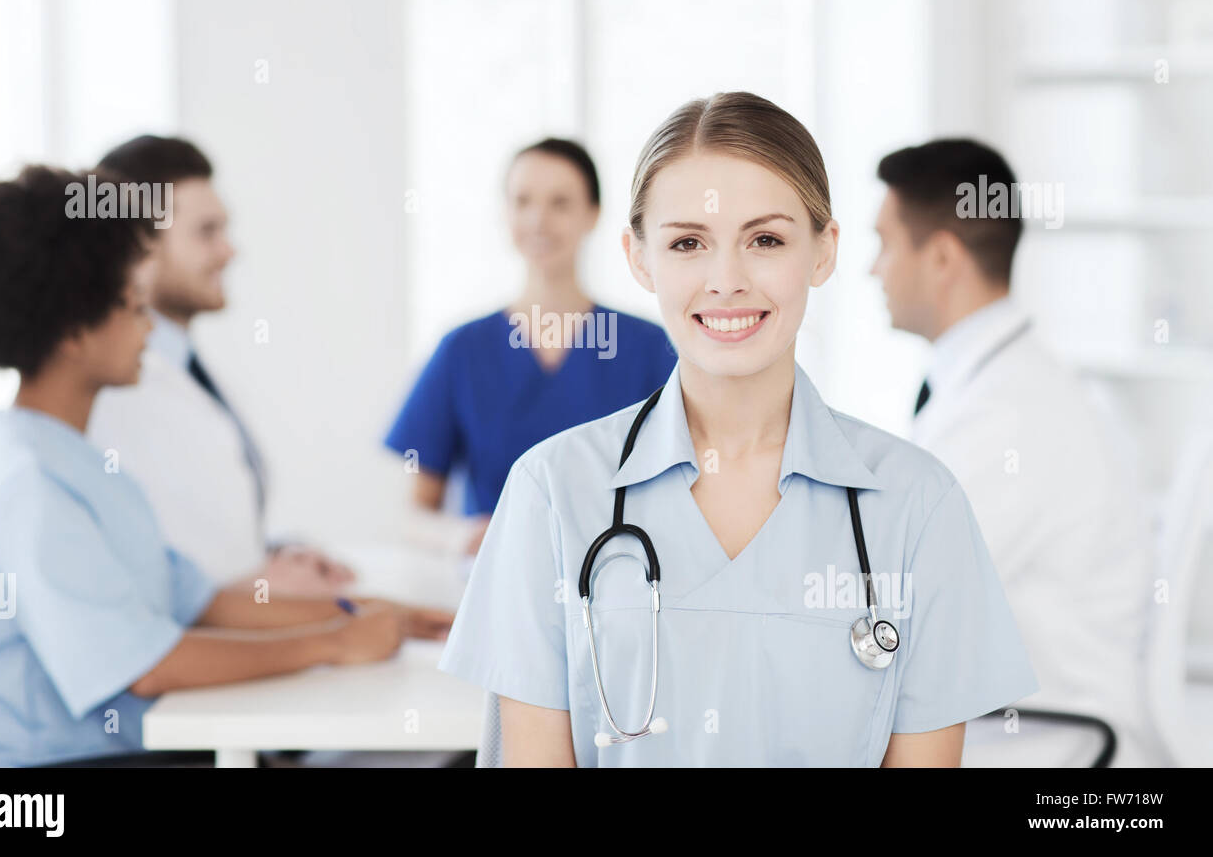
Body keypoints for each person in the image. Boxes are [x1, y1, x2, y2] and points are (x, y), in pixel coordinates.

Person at [437, 93, 1037, 767]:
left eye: (766, 240)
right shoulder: (549, 493)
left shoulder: (919, 505)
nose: (726, 281)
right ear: (639, 257)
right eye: (688, 243)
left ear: (823, 252)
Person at [0, 166, 451, 767]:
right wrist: (333, 643)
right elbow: (144, 667)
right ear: (73, 331)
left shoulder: (74, 460)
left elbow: (202, 602)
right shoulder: (29, 480)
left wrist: (367, 612)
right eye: (132, 305)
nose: (149, 325)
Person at [870, 139, 1155, 766]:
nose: (873, 269)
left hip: (1049, 750)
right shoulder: (995, 387)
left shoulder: (1011, 415)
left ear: (941, 258)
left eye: (885, 244)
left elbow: (902, 602)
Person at [385, 138, 677, 556]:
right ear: (505, 213)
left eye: (560, 203)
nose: (539, 220)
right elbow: (414, 512)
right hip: (495, 577)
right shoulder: (463, 350)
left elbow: (686, 491)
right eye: (523, 201)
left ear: (593, 214)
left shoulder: (648, 348)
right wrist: (461, 536)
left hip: (615, 577)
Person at [87, 136, 352, 595]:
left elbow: (195, 529)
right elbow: (130, 571)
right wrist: (248, 589)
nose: (230, 251)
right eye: (206, 232)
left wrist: (274, 554)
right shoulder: (108, 391)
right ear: (137, 245)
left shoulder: (188, 369)